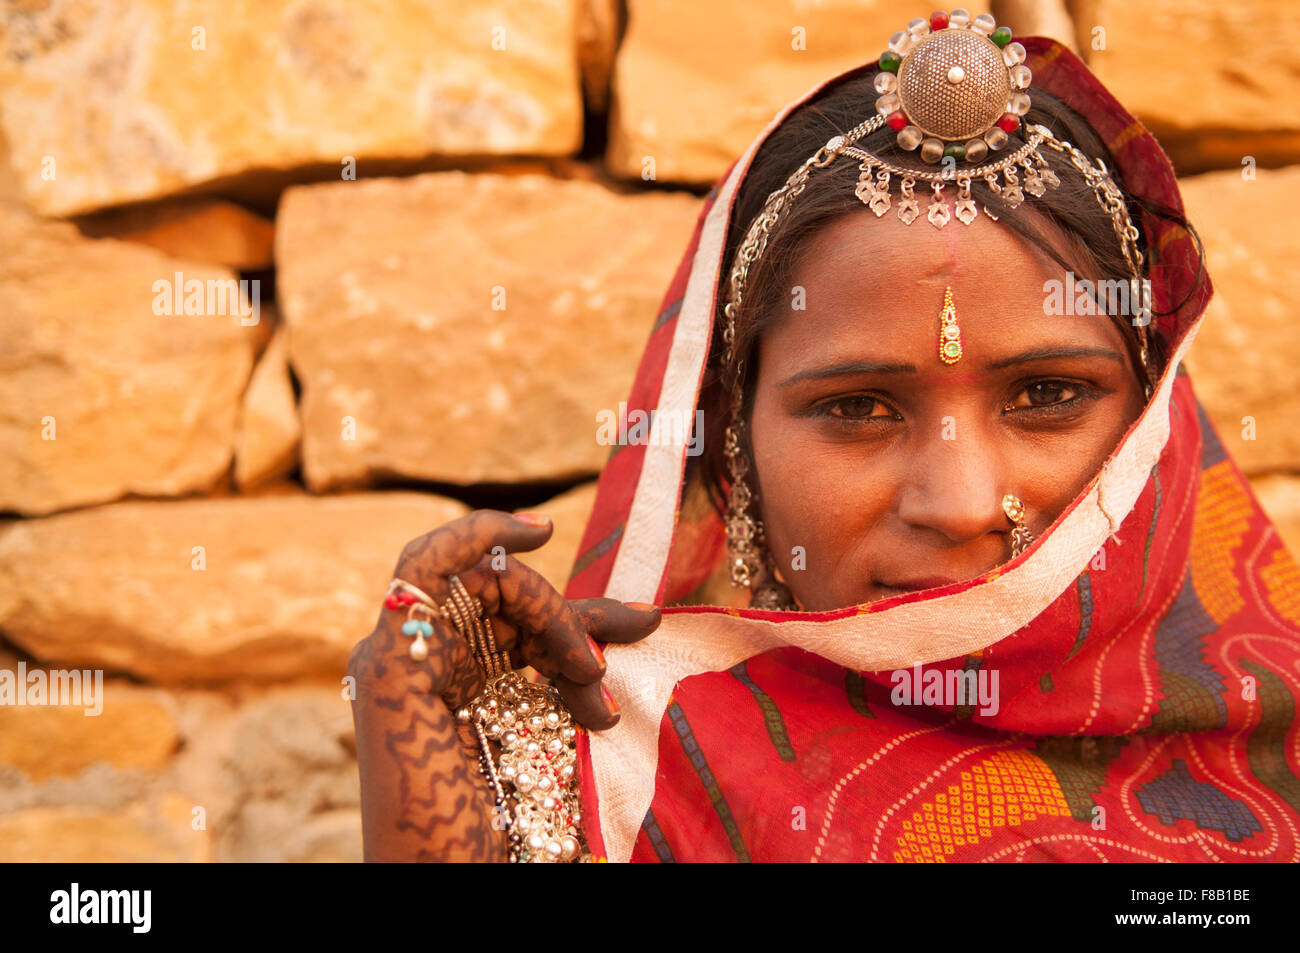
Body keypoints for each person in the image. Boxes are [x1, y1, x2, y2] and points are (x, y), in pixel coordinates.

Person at [348, 10, 1300, 863]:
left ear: (1152, 422)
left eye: (1047, 393)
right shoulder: (610, 794)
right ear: (732, 449)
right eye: (858, 409)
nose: (963, 502)